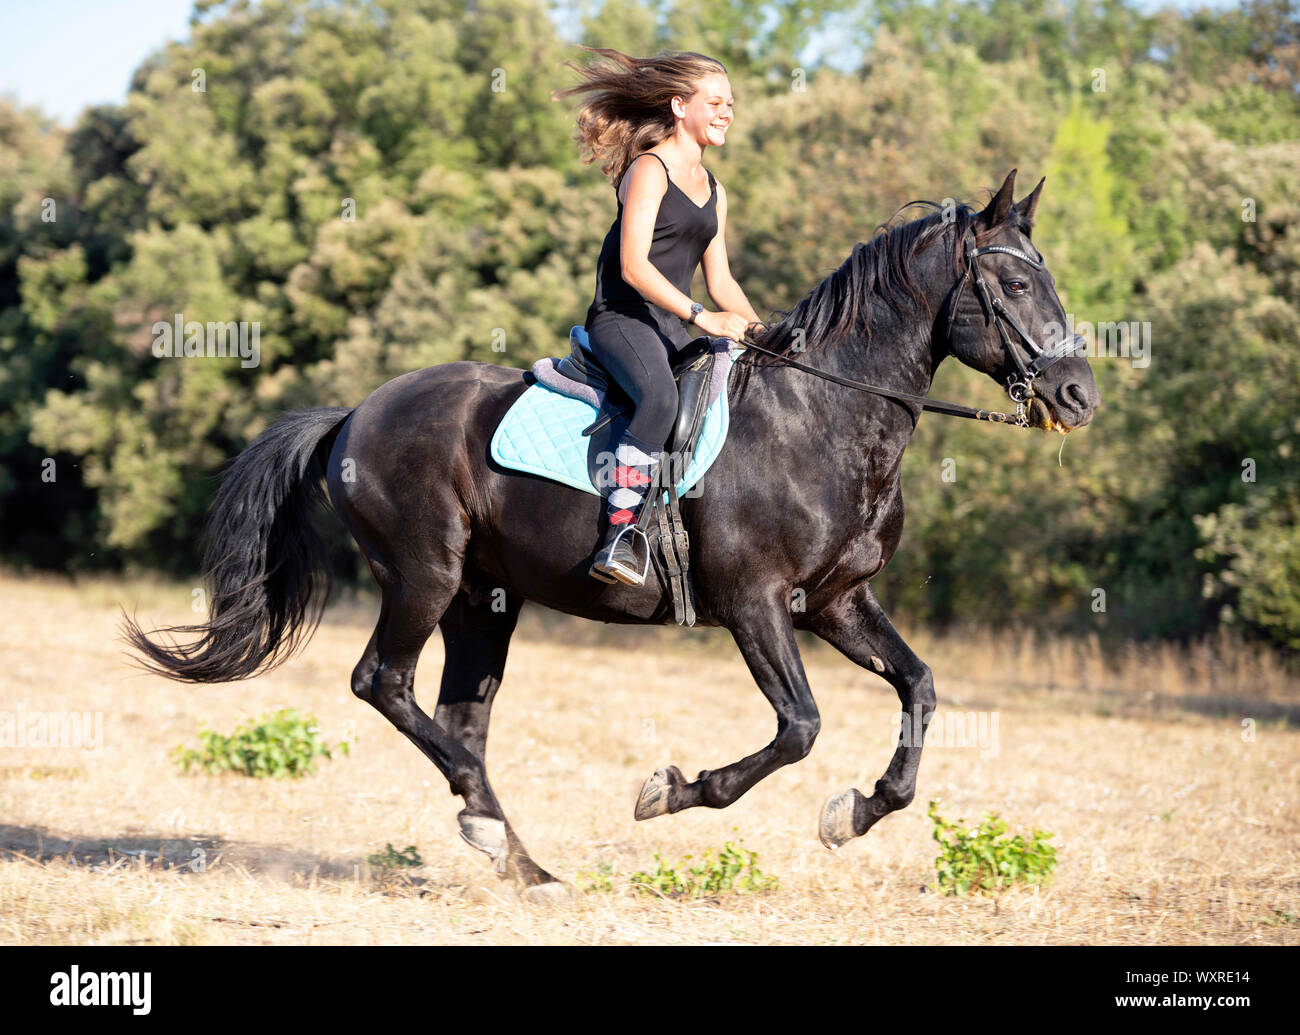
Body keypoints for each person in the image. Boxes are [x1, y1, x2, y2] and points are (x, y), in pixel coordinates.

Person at [554, 48, 766, 586]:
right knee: (660, 398)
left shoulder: (715, 190)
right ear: (679, 106)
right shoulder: (648, 170)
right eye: (715, 102)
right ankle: (620, 534)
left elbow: (722, 283)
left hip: (670, 324)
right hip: (622, 319)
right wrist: (704, 318)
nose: (726, 113)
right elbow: (632, 267)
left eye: (731, 104)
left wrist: (766, 334)